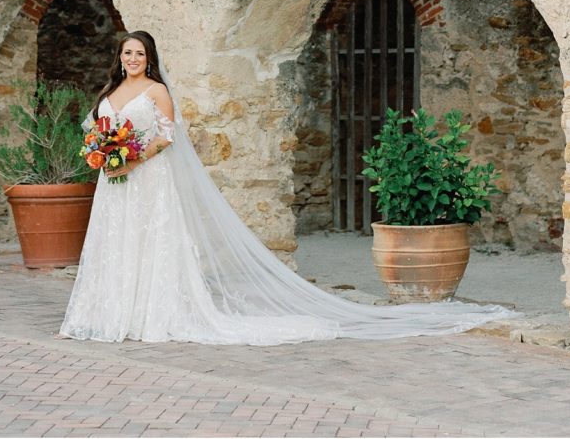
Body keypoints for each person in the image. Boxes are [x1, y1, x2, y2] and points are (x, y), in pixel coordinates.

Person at [60, 30, 516, 345]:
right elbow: (94, 134)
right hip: (115, 182)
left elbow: (167, 135)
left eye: (139, 54)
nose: (132, 60)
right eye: (126, 54)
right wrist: (103, 154)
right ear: (119, 58)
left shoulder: (156, 90)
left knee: (151, 242)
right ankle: (111, 312)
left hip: (148, 179)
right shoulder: (109, 94)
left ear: (149, 58)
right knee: (116, 243)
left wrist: (134, 156)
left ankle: (150, 315)